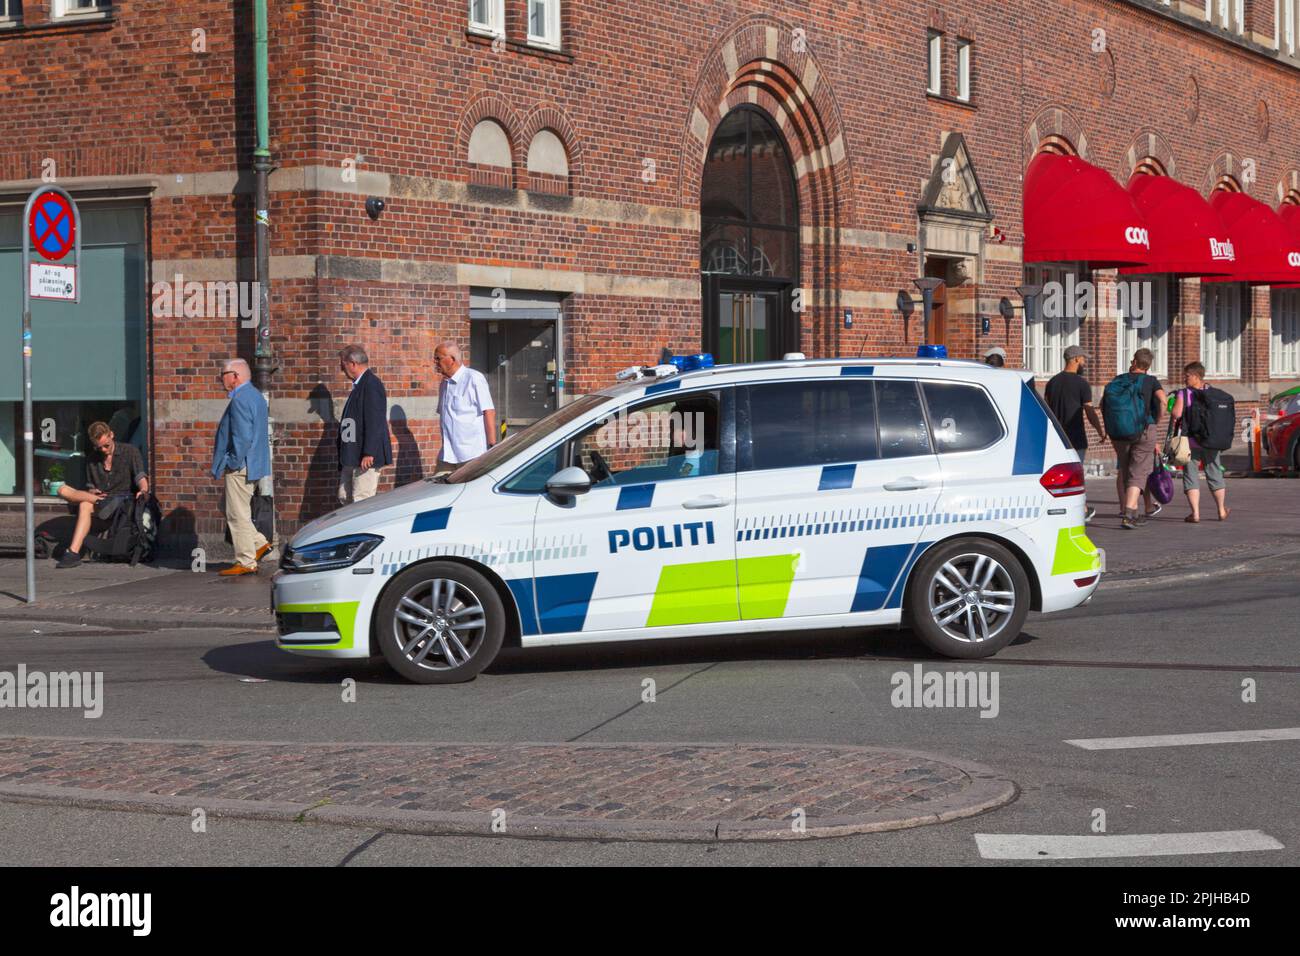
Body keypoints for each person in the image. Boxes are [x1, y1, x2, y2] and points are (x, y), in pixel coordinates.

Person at [55, 421, 149, 569]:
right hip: (101, 498)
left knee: (85, 504)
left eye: (107, 445)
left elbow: (140, 477)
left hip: (122, 499)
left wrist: (143, 490)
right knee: (62, 490)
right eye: (99, 447)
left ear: (111, 435)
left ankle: (72, 551)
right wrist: (92, 491)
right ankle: (73, 554)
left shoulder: (130, 451)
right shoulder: (92, 459)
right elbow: (91, 485)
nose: (104, 450)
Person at [211, 358, 272, 575]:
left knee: (237, 514)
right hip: (254, 463)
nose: (221, 380)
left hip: (242, 465)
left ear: (235, 376)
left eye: (223, 375)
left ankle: (246, 561)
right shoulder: (255, 396)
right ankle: (258, 544)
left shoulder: (239, 399)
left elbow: (242, 437)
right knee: (237, 509)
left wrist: (232, 463)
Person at [1044, 345, 1105, 521]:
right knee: (1075, 477)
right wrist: (1100, 430)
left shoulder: (1052, 382)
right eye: (1083, 359)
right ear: (1076, 359)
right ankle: (1081, 510)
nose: (1084, 363)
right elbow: (1089, 411)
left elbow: (1047, 409)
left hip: (1056, 438)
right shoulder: (1081, 383)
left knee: (1056, 476)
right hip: (1076, 437)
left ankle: (1060, 508)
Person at [1109, 348, 1167, 530]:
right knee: (1139, 471)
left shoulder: (1118, 380)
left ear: (1133, 361)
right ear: (1148, 365)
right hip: (1144, 429)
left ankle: (1132, 512)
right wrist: (1156, 420)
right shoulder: (1150, 381)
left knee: (1125, 470)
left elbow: (1104, 403)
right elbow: (1163, 401)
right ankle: (1128, 513)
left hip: (1119, 431)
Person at [1172, 361, 1229, 523]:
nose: (1185, 378)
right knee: (1215, 473)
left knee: (1191, 476)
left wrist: (1174, 406)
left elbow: (1176, 414)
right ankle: (1221, 510)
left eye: (1187, 375)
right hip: (1211, 440)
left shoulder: (1184, 393)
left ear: (1196, 376)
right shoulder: (1215, 393)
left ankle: (1195, 514)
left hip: (1191, 441)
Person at [336, 344, 392, 505]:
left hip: (363, 456)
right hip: (351, 453)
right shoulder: (360, 385)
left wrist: (368, 452)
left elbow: (375, 421)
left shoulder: (371, 385)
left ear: (352, 363)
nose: (341, 369)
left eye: (343, 364)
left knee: (361, 499)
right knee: (344, 497)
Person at [434, 342, 496, 474]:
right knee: (436, 487)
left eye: (438, 358)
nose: (435, 362)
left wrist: (492, 446)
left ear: (452, 360)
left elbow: (488, 411)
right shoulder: (444, 384)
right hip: (448, 454)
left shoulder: (473, 378)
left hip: (471, 455)